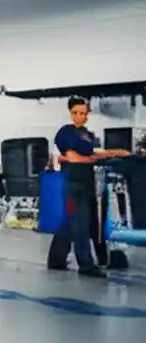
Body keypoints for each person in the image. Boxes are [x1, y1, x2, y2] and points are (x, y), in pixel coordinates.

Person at [47, 96, 129, 276]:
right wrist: (92, 158)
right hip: (73, 185)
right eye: (76, 113)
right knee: (80, 225)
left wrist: (113, 153)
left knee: (71, 223)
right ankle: (86, 265)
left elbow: (95, 152)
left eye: (83, 113)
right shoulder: (66, 132)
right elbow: (71, 157)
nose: (80, 116)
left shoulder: (87, 134)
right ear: (71, 113)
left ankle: (56, 260)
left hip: (87, 183)